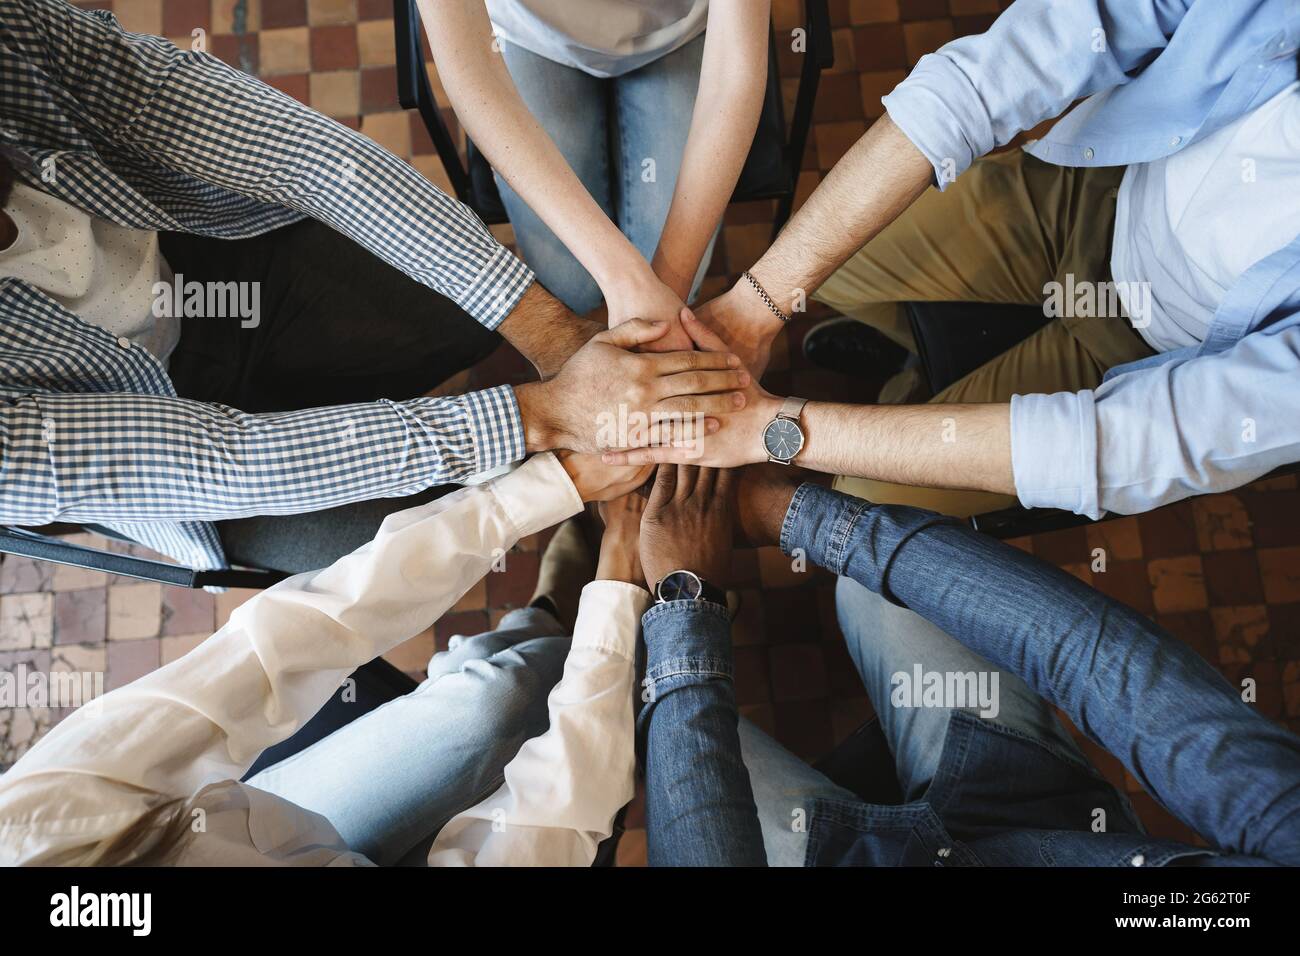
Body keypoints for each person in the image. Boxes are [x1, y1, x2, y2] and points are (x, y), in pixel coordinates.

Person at [0, 0, 747, 575]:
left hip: (212, 259)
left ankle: (598, 469)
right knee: (429, 543)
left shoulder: (11, 36)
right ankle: (578, 538)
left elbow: (305, 155)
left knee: (482, 312)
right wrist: (542, 415)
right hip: (172, 469)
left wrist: (559, 338)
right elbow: (215, 459)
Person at [669, 0, 1299, 520]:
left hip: (1140, 352)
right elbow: (1020, 57)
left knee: (862, 507)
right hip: (1092, 182)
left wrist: (773, 430)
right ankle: (903, 356)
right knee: (830, 269)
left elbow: (1135, 445)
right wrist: (758, 306)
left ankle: (912, 377)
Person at [0, 451, 654, 866]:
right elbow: (548, 830)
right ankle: (654, 636)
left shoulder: (38, 827)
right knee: (588, 760)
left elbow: (284, 641)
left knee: (498, 695)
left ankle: (547, 618)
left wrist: (543, 487)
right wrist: (622, 575)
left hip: (284, 823)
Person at [632, 463, 1300, 867]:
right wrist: (800, 515)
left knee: (644, 689)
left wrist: (687, 597)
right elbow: (1107, 666)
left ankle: (587, 580)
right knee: (872, 585)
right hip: (1026, 811)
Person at [420, 0, 770, 339]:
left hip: (678, 32)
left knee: (685, 282)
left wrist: (664, 300)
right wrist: (624, 278)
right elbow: (472, 68)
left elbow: (732, 72)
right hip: (530, 35)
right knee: (567, 285)